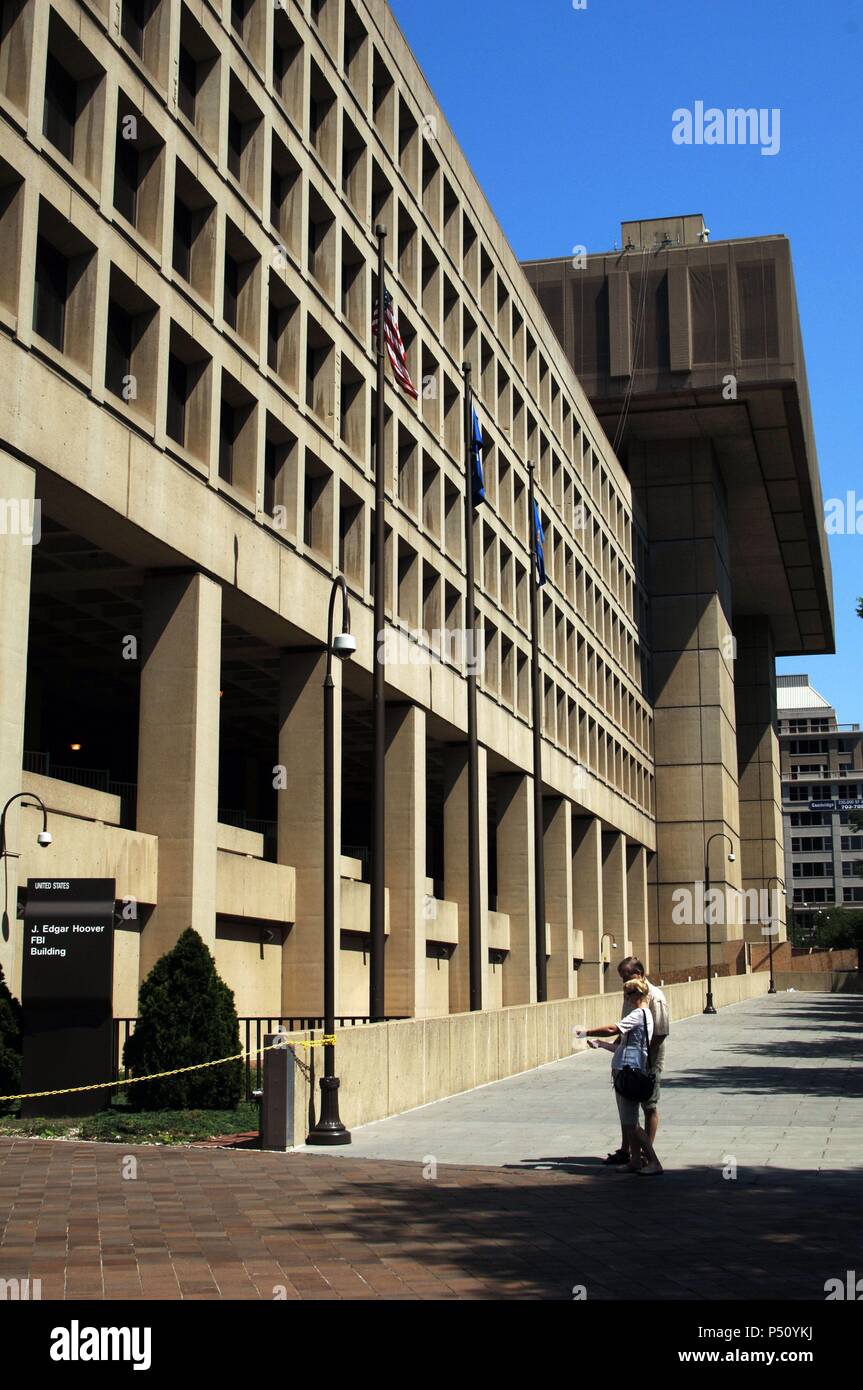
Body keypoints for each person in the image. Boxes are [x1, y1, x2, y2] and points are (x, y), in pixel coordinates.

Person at [582, 977, 663, 1176]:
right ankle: (635, 1161)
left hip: (629, 1072)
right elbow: (621, 1047)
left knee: (631, 1123)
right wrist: (600, 1044)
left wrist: (586, 1032)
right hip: (626, 1069)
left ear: (637, 995)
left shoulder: (639, 1014)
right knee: (629, 1120)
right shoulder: (643, 1016)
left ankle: (653, 1161)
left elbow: (613, 1029)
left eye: (627, 994)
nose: (625, 998)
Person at [604, 957, 669, 1167]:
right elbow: (624, 1028)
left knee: (648, 1105)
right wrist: (618, 1045)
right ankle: (629, 1152)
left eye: (627, 976)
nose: (624, 982)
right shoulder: (630, 994)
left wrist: (641, 1056)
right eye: (621, 978)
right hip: (628, 1059)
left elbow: (660, 1033)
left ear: (640, 973)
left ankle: (646, 1154)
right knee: (626, 1105)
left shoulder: (655, 997)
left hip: (648, 1058)